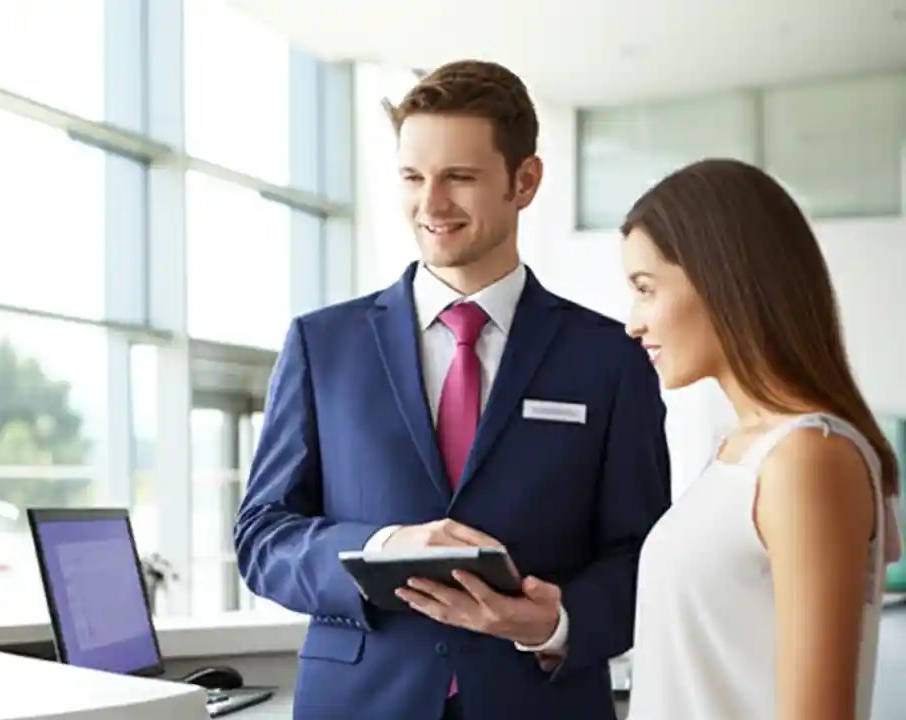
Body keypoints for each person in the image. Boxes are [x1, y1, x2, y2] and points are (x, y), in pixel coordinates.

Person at [233, 59, 672, 720]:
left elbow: (643, 557)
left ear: (524, 181)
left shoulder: (609, 359)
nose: (431, 205)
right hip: (359, 703)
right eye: (413, 177)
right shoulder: (322, 346)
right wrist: (381, 547)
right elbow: (263, 537)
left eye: (459, 177)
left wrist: (552, 625)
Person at [620, 158, 904, 720]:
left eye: (646, 289)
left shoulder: (807, 457)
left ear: (721, 280)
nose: (633, 321)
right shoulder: (741, 451)